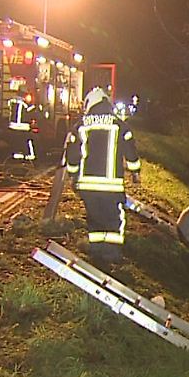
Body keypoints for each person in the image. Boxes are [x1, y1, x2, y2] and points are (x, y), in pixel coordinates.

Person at [63, 87, 141, 264]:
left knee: (95, 219)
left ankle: (97, 256)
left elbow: (73, 154)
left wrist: (72, 175)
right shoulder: (119, 124)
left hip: (87, 186)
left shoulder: (81, 125)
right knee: (114, 219)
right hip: (111, 186)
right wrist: (135, 171)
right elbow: (130, 150)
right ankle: (112, 256)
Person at [6, 87, 36, 162]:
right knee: (28, 140)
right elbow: (29, 111)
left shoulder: (12, 101)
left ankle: (17, 156)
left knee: (16, 142)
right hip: (22, 127)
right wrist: (35, 106)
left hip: (13, 126)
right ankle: (30, 156)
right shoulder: (24, 103)